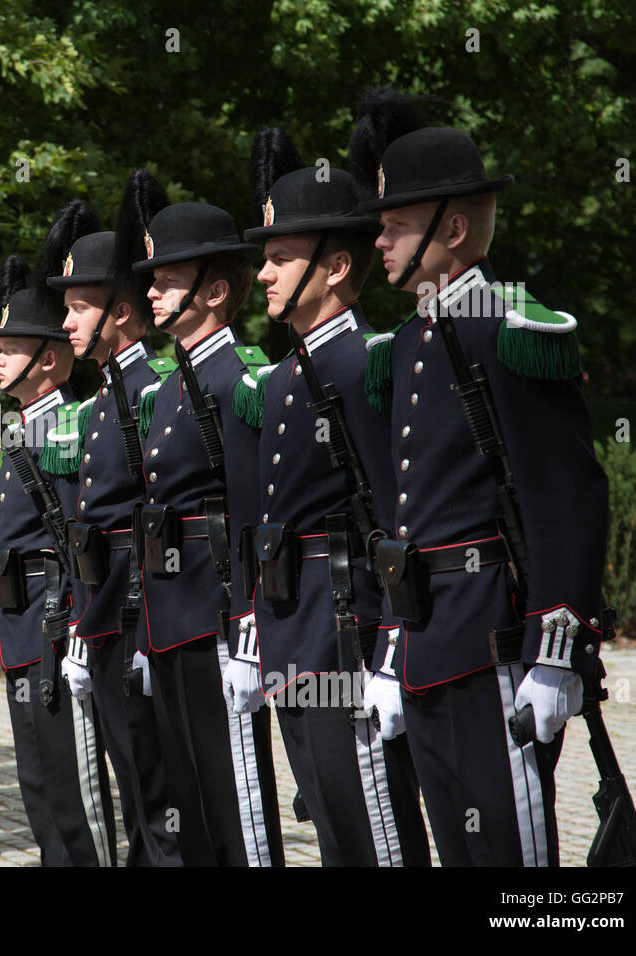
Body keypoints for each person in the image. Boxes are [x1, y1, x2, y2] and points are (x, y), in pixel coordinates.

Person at [348, 88, 608, 866]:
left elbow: (565, 499)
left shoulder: (511, 328)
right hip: (427, 640)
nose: (380, 243)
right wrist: (395, 651)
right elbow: (406, 514)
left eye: (395, 225)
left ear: (452, 228)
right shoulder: (408, 345)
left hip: (493, 645)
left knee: (510, 859)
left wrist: (555, 655)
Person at [232, 126, 429, 865]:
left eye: (281, 258)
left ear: (337, 265)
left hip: (349, 630)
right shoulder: (283, 378)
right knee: (331, 819)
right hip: (292, 627)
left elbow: (394, 516)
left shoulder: (371, 363)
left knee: (375, 827)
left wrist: (389, 652)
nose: (266, 275)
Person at [126, 185, 284, 866]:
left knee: (236, 802)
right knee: (191, 800)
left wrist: (251, 629)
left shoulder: (238, 380)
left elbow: (254, 514)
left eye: (168, 282)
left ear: (215, 292)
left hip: (218, 616)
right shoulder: (168, 387)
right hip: (171, 615)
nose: (152, 296)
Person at [46, 188, 183, 866]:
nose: (66, 322)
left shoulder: (153, 390)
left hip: (137, 623)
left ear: (121, 313)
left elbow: (153, 521)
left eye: (79, 307)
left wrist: (133, 632)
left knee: (159, 798)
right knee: (132, 788)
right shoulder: (104, 397)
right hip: (103, 620)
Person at [0, 253, 116, 865]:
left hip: (52, 623)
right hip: (20, 621)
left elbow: (76, 538)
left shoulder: (66, 426)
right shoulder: (25, 428)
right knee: (36, 780)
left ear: (50, 360)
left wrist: (77, 625)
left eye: (11, 348)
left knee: (73, 784)